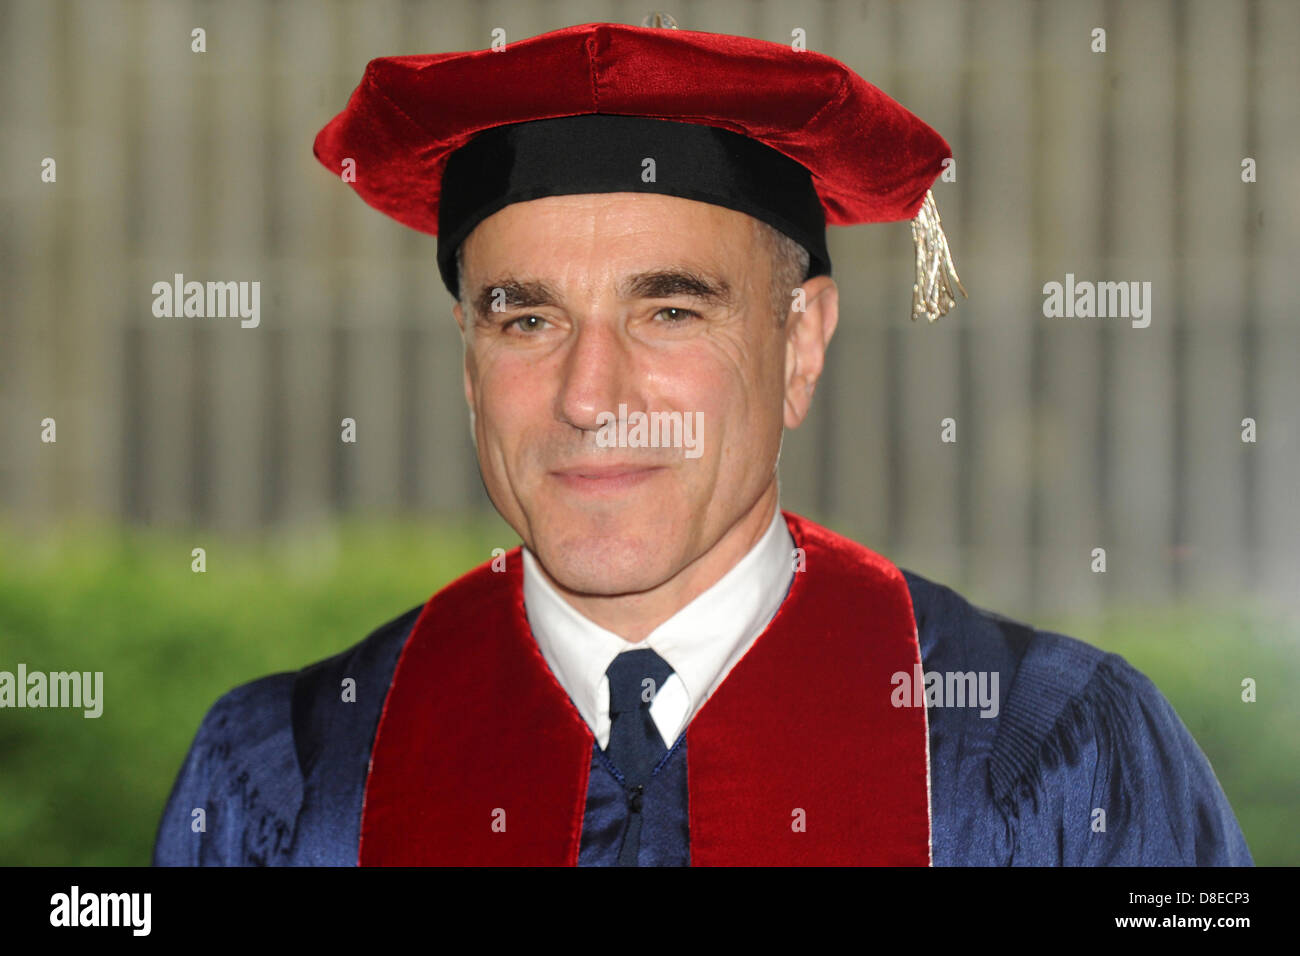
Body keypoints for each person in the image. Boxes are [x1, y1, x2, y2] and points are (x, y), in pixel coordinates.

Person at [153, 19, 1251, 866]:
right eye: (525, 318)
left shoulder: (1042, 751)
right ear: (465, 355)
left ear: (802, 342)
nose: (589, 396)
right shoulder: (292, 775)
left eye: (670, 311)